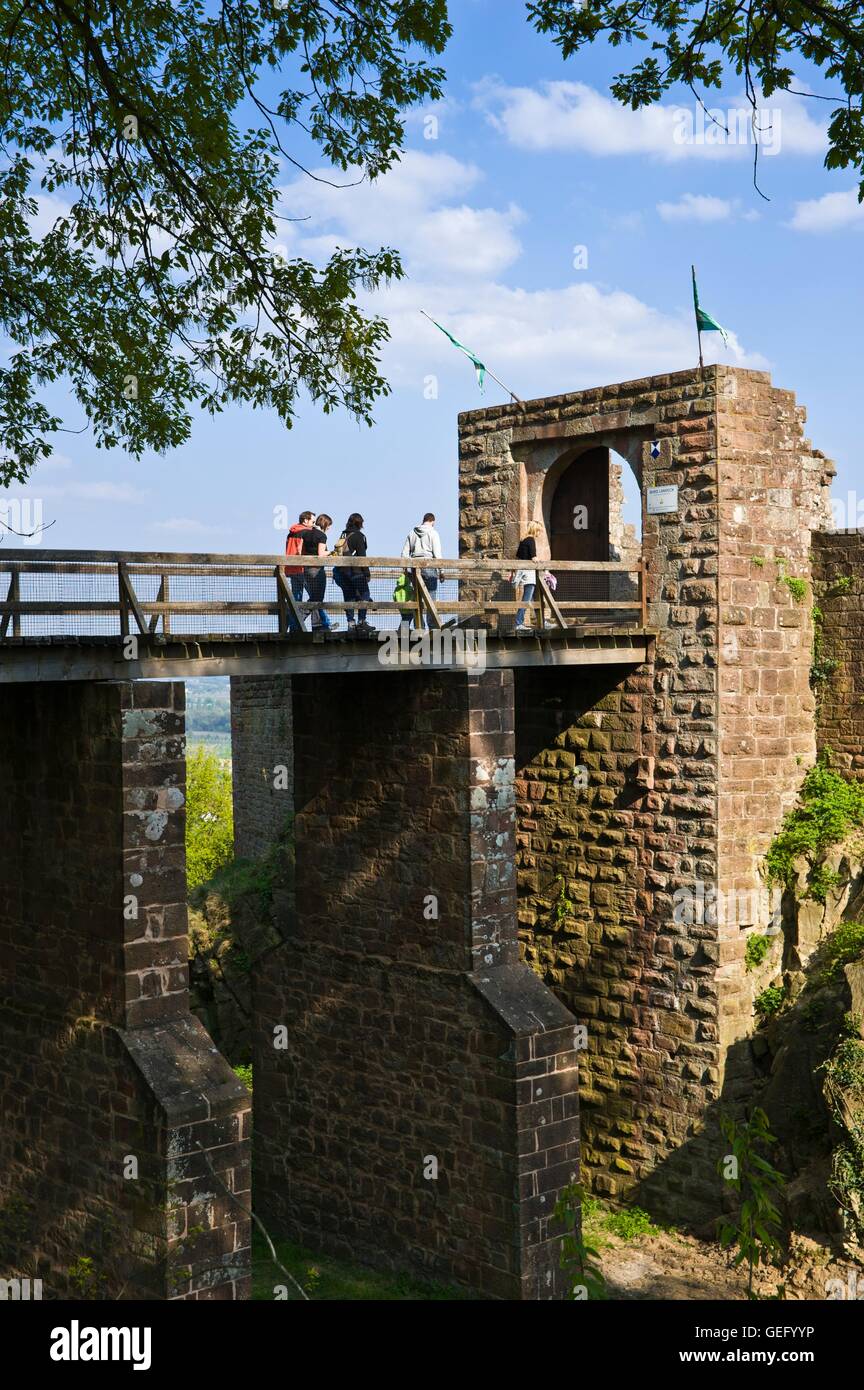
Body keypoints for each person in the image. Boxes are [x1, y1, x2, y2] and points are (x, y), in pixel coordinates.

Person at [401, 512, 442, 628]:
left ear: (423, 520)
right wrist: (442, 571)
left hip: (414, 569)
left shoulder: (412, 533)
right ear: (433, 521)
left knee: (417, 598)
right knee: (431, 599)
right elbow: (437, 555)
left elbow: (404, 553)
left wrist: (405, 570)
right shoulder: (434, 533)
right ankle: (433, 626)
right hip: (429, 567)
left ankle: (419, 626)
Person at [335, 513, 374, 633]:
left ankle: (350, 624)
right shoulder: (359, 536)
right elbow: (362, 557)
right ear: (360, 523)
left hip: (340, 571)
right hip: (355, 571)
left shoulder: (343, 534)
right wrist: (367, 573)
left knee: (349, 596)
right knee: (365, 594)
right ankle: (361, 622)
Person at [284, 510, 314, 631]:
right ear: (305, 520)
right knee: (316, 596)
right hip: (301, 568)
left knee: (296, 600)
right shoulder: (306, 532)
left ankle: (294, 626)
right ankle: (324, 623)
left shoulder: (291, 533)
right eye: (312, 521)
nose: (314, 524)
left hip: (290, 568)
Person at [302, 513, 332, 630]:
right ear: (325, 524)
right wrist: (332, 552)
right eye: (329, 525)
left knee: (315, 597)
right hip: (317, 569)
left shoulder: (306, 533)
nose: (329, 528)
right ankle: (298, 617)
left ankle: (318, 625)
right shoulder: (321, 535)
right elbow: (321, 554)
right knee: (317, 598)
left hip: (306, 569)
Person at [513, 522, 542, 631]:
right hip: (528, 574)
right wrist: (540, 562)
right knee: (527, 598)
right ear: (535, 530)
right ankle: (519, 622)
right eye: (539, 530)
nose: (539, 533)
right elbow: (534, 558)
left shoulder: (523, 540)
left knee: (534, 598)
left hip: (523, 573)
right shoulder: (530, 540)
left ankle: (541, 621)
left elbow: (518, 557)